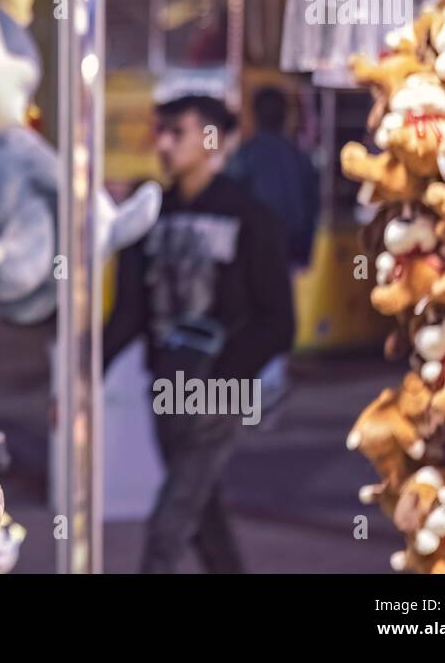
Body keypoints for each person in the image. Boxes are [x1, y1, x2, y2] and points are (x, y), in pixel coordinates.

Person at [105, 94, 295, 574]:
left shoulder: (251, 216)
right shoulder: (151, 215)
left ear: (211, 140)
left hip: (217, 391)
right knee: (198, 508)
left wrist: (224, 380)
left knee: (169, 526)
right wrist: (88, 373)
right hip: (165, 385)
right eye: (160, 133)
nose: (164, 145)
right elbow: (129, 311)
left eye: (178, 133)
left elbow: (278, 322)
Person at [225, 86, 318, 419]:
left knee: (252, 314)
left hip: (251, 249)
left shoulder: (245, 156)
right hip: (287, 245)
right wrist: (305, 250)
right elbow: (311, 208)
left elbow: (231, 202)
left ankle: (257, 390)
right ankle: (272, 386)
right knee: (278, 314)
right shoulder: (299, 157)